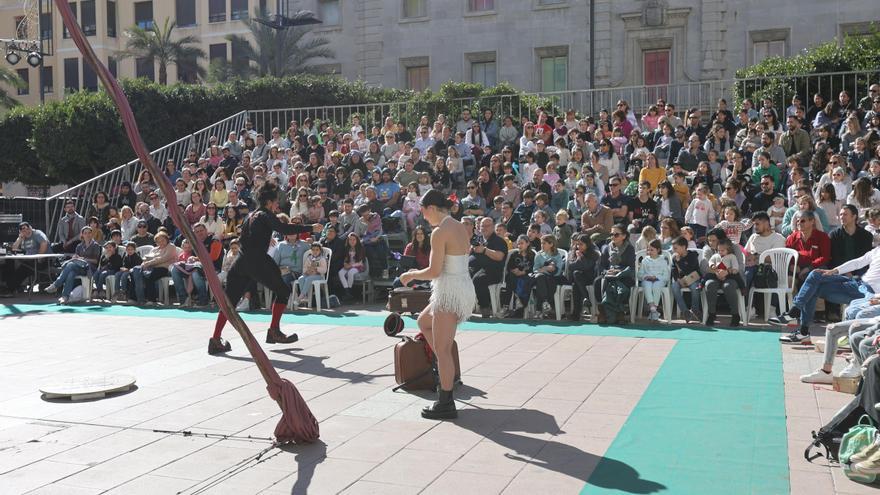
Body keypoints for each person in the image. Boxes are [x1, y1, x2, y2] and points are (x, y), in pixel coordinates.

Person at [209, 182, 323, 355]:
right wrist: (309, 227)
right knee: (284, 291)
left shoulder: (252, 215)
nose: (278, 204)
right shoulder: (265, 215)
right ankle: (274, 331)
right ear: (269, 202)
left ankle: (215, 339)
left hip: (240, 262)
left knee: (229, 303)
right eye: (276, 202)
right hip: (257, 261)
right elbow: (284, 228)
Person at [399, 189, 476, 420]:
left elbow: (434, 271)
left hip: (449, 291)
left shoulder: (439, 231)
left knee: (442, 350)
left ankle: (446, 400)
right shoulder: (459, 225)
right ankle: (444, 370)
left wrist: (412, 275)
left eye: (423, 211)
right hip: (460, 286)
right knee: (424, 322)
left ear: (431, 208)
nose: (423, 216)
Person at [595, 224, 636, 324]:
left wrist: (618, 271)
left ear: (624, 236)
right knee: (597, 281)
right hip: (609, 274)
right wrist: (606, 271)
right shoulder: (606, 248)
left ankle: (620, 312)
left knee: (623, 283)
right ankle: (603, 310)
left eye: (616, 234)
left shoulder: (629, 249)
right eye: (611, 234)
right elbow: (601, 266)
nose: (613, 237)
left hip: (624, 274)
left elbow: (631, 266)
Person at [469, 217, 508, 317]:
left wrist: (484, 250)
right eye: (482, 226)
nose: (484, 228)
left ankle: (485, 308)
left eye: (487, 226)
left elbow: (499, 256)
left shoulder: (499, 241)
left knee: (478, 279)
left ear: (493, 227)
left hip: (492, 271)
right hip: (475, 268)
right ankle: (463, 307)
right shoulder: (478, 239)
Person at [1, 222, 49, 295]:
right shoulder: (23, 237)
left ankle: (9, 288)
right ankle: (13, 287)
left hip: (43, 261)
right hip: (30, 260)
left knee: (23, 269)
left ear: (31, 227)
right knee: (12, 263)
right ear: (20, 231)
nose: (26, 231)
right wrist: (20, 238)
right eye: (23, 230)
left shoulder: (37, 234)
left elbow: (44, 243)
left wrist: (39, 256)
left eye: (27, 228)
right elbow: (14, 248)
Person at [670, 236, 702, 323]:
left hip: (693, 278)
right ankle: (685, 311)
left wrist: (680, 261)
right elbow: (674, 270)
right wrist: (677, 279)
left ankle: (695, 309)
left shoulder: (692, 255)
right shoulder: (674, 258)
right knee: (674, 286)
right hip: (682, 280)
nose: (674, 250)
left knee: (695, 287)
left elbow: (689, 270)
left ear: (684, 247)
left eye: (675, 248)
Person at [638, 240, 671, 321]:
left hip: (659, 281)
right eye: (648, 249)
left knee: (656, 285)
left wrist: (656, 277)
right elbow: (639, 275)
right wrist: (646, 276)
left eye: (652, 250)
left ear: (658, 250)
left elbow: (666, 276)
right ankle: (653, 309)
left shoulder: (663, 261)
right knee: (647, 285)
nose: (649, 252)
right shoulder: (645, 260)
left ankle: (653, 310)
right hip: (647, 280)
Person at [296, 242, 328, 307]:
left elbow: (324, 270)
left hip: (318, 276)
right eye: (313, 250)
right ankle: (305, 295)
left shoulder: (322, 259)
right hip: (308, 274)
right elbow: (304, 268)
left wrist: (316, 269)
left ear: (320, 250)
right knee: (301, 278)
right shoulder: (309, 258)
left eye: (317, 250)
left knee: (308, 279)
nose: (315, 251)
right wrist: (307, 271)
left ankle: (301, 296)